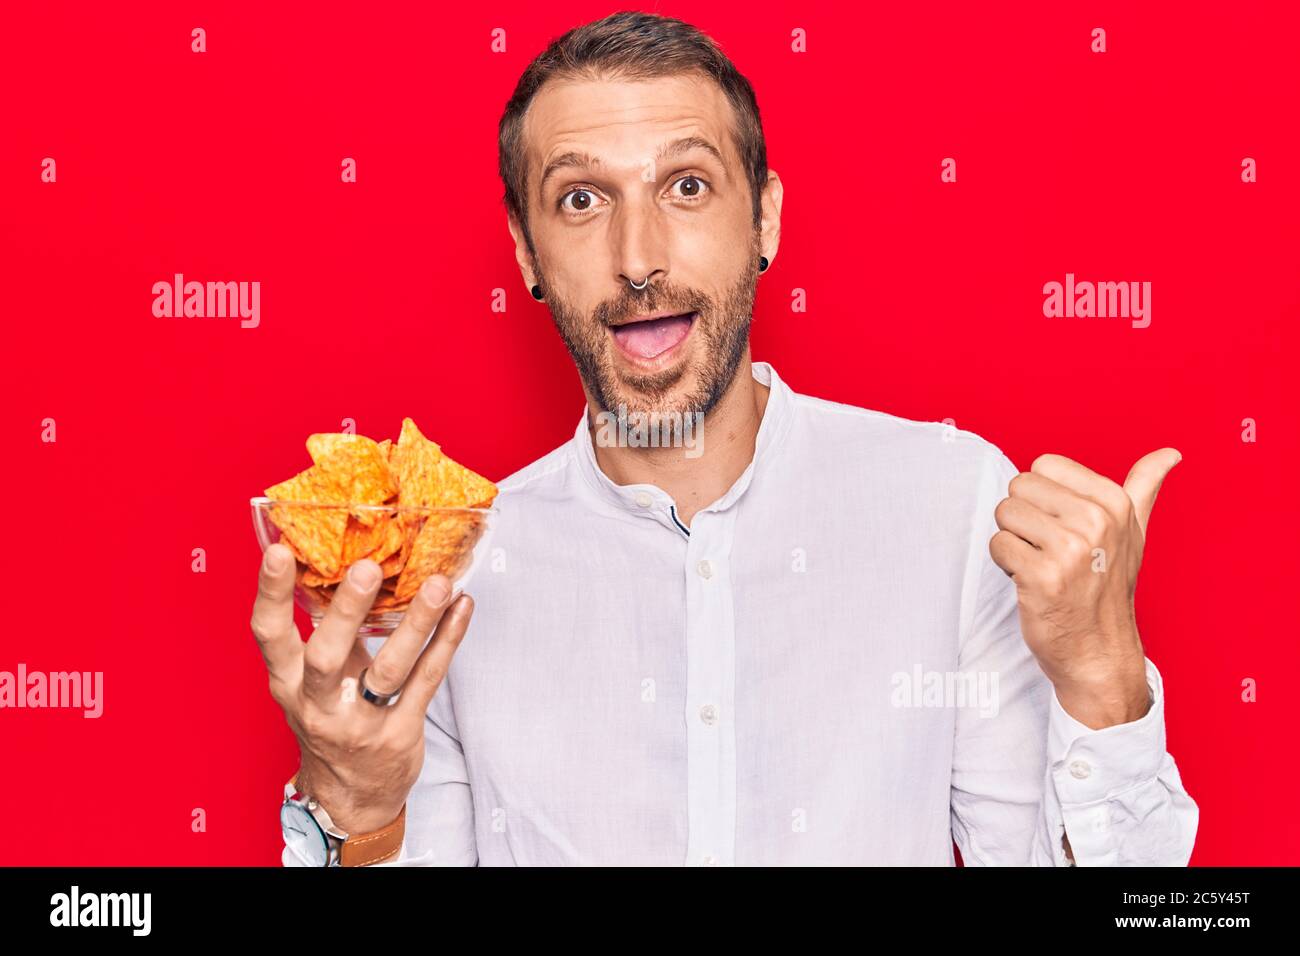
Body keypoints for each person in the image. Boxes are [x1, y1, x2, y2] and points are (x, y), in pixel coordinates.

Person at [252, 11, 1198, 866]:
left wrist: (1102, 681)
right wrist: (362, 815)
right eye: (582, 199)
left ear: (767, 218)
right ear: (526, 251)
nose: (638, 258)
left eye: (688, 185)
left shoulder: (950, 509)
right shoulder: (450, 574)